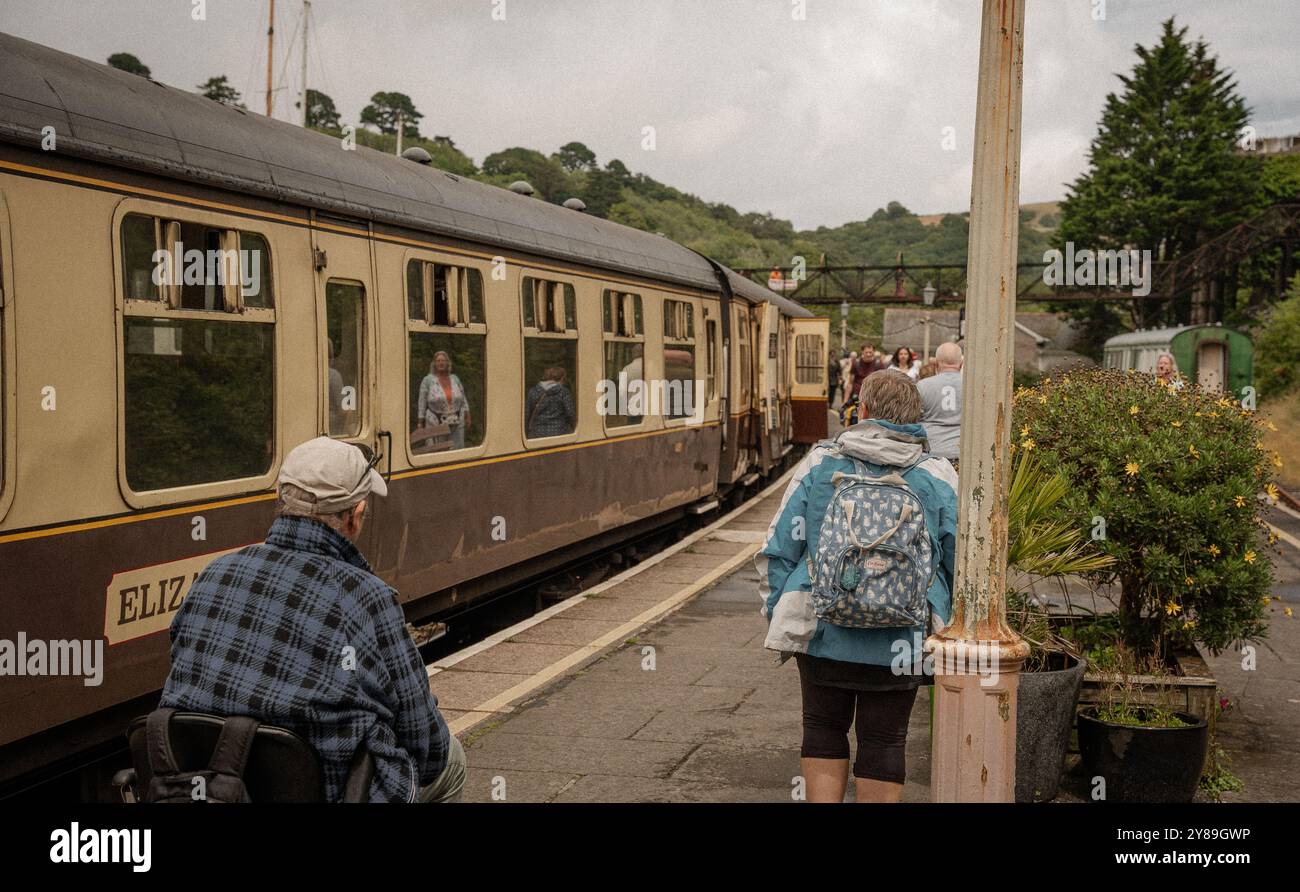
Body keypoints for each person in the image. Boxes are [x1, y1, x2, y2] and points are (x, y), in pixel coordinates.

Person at [160, 437, 464, 803]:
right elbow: (425, 742)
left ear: (281, 501)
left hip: (211, 787)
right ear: (355, 514)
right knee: (453, 761)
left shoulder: (213, 574)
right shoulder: (367, 596)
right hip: (330, 793)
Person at [757, 371, 957, 803]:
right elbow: (959, 554)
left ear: (861, 411)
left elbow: (778, 548)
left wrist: (780, 612)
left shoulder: (821, 463)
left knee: (823, 727)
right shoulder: (936, 474)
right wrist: (946, 617)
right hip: (902, 637)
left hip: (823, 628)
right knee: (885, 739)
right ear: (916, 417)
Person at [916, 342, 964, 465]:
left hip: (932, 453)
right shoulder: (973, 385)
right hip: (963, 451)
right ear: (961, 363)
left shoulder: (922, 386)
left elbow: (912, 419)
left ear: (935, 364)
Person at [417, 351, 471, 451]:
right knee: (439, 452)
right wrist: (420, 423)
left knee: (457, 451)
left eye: (443, 361)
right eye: (438, 361)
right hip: (435, 422)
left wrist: (468, 414)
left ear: (447, 363)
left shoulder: (455, 379)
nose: (441, 363)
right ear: (434, 364)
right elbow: (422, 402)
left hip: (457, 420)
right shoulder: (428, 380)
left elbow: (463, 398)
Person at [525, 366, 577, 437]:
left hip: (537, 434)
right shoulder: (564, 392)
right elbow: (570, 414)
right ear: (562, 378)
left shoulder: (533, 391)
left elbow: (527, 414)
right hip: (559, 432)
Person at [847, 343, 887, 408]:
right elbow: (850, 383)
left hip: (873, 397)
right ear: (862, 352)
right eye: (866, 352)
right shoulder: (856, 363)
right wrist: (845, 400)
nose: (868, 354)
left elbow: (883, 383)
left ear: (873, 352)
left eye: (870, 352)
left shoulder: (879, 364)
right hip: (857, 395)